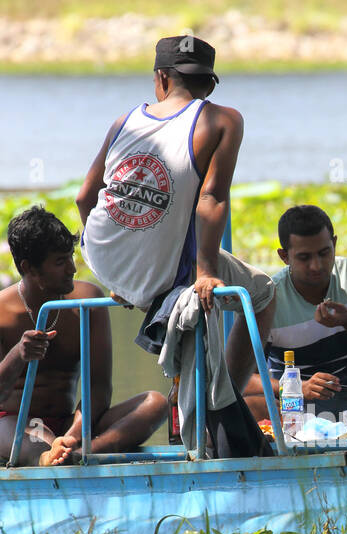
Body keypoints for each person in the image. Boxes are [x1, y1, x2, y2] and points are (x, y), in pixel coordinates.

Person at [76, 35, 275, 394]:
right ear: (210, 83)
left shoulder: (125, 121)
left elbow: (84, 198)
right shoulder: (223, 120)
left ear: (162, 79)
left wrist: (120, 277)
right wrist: (206, 272)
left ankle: (136, 288)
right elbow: (212, 197)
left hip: (104, 258)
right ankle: (229, 395)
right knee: (262, 293)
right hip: (162, 270)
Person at [0, 207, 167, 466]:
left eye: (71, 257)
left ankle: (78, 454)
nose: (72, 268)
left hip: (66, 427)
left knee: (155, 403)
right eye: (60, 262)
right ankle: (48, 455)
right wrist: (19, 355)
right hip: (6, 425)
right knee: (22, 433)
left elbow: (99, 388)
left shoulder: (88, 302)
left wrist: (73, 436)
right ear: (29, 268)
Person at [241, 205, 347, 421]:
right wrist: (299, 387)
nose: (316, 265)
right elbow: (244, 379)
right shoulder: (269, 298)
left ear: (335, 244)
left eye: (324, 253)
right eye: (304, 257)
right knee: (248, 407)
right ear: (284, 256)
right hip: (295, 407)